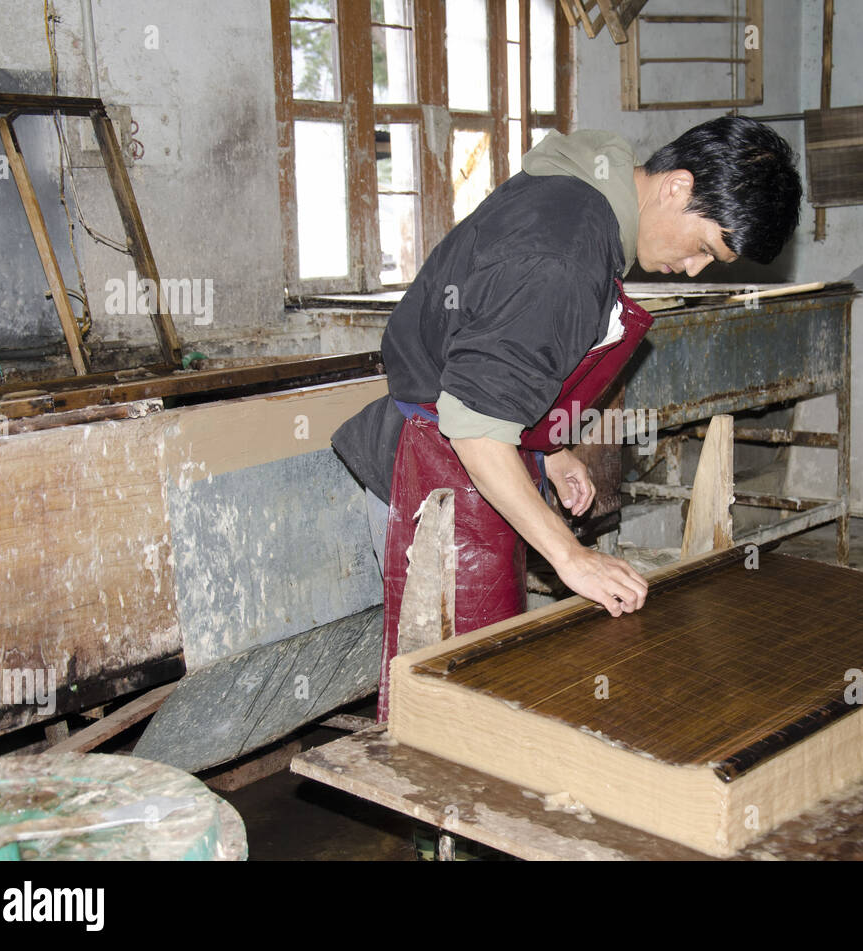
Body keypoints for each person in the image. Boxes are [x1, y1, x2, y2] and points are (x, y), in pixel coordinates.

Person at [331, 115, 803, 720]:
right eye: (704, 248)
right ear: (677, 187)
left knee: (476, 685)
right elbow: (474, 422)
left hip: (454, 450)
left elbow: (489, 346)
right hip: (437, 472)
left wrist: (549, 449)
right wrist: (569, 556)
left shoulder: (577, 199)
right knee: (455, 710)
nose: (693, 270)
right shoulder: (564, 253)